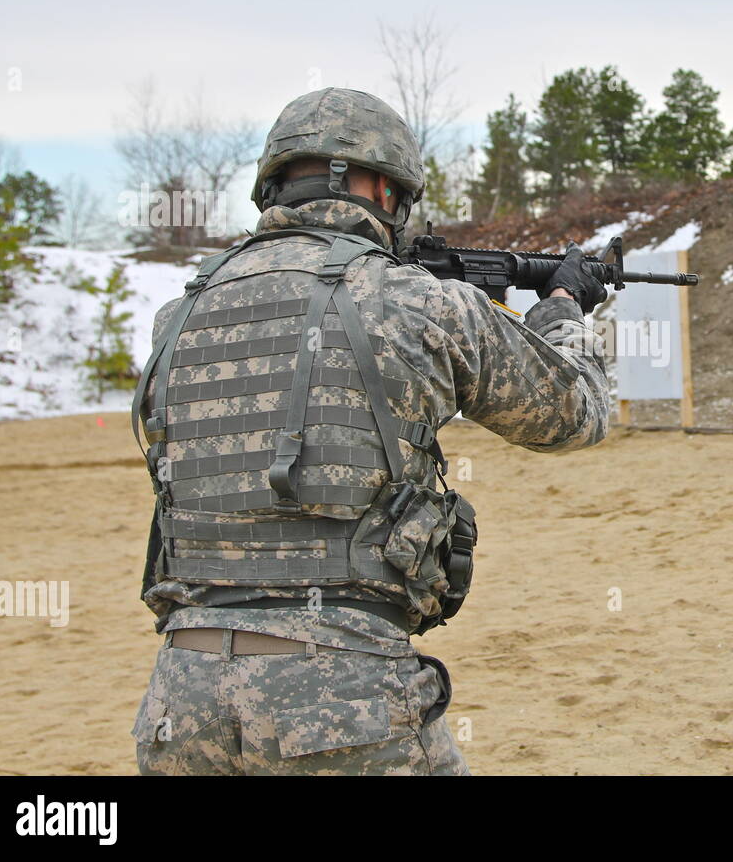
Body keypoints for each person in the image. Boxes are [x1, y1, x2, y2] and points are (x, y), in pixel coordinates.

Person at [131, 87, 609, 774]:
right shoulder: (416, 300)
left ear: (276, 183)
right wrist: (562, 307)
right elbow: (575, 412)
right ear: (384, 185)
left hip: (180, 699)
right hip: (339, 695)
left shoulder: (179, 315)